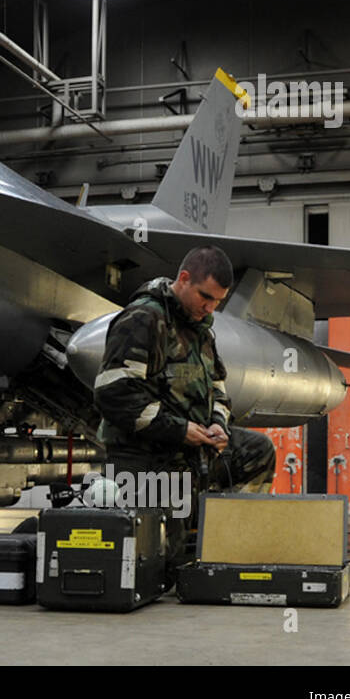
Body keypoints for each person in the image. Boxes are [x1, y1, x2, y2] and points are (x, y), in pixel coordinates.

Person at [92, 245, 275, 582]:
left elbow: (218, 388)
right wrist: (179, 430)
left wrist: (218, 424)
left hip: (188, 449)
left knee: (256, 451)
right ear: (184, 279)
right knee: (162, 569)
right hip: (146, 458)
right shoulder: (143, 319)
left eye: (217, 301)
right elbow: (114, 394)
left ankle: (228, 547)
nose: (210, 307)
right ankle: (185, 550)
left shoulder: (200, 327)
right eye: (205, 297)